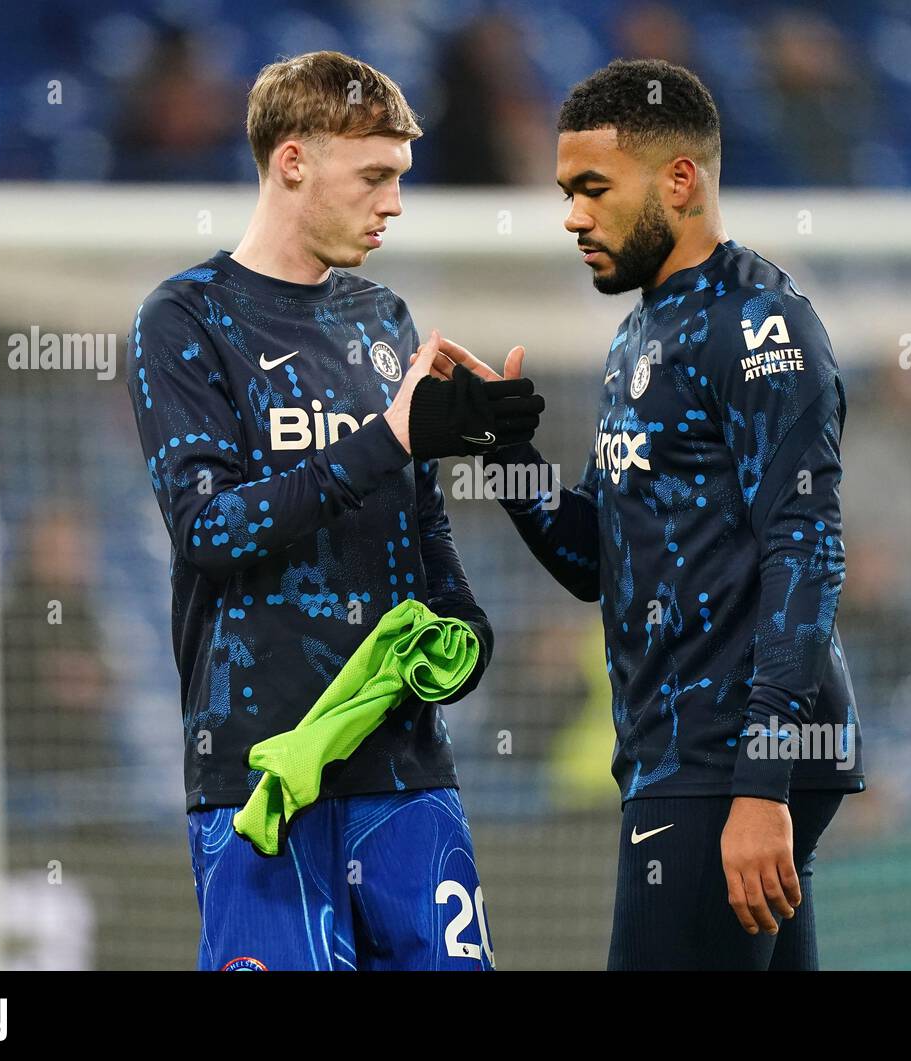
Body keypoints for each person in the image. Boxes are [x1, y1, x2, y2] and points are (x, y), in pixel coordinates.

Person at [428, 58, 866, 970]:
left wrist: (759, 783)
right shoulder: (642, 331)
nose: (572, 215)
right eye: (565, 191)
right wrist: (506, 451)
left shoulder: (760, 325)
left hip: (723, 758)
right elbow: (598, 558)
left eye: (593, 188)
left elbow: (808, 550)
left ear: (680, 179)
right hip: (692, 759)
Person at [125, 51, 542, 971]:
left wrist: (462, 629)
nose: (393, 203)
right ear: (293, 162)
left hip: (404, 769)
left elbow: (418, 521)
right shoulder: (184, 320)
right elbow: (209, 529)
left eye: (399, 177)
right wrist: (384, 440)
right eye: (377, 176)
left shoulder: (382, 319)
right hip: (261, 770)